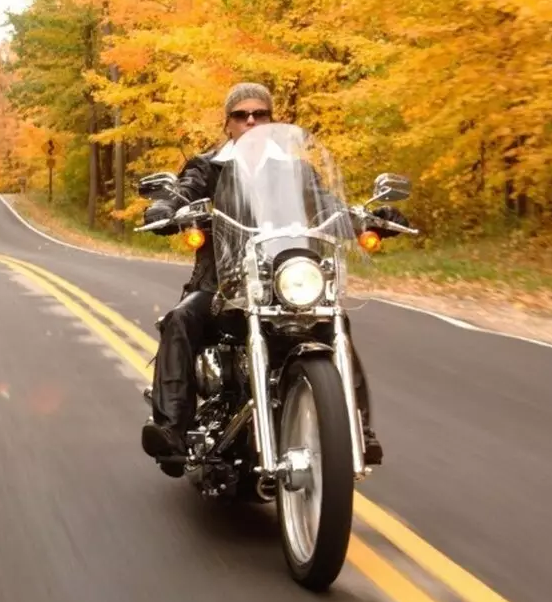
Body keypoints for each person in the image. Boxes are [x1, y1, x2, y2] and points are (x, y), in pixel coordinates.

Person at [139, 82, 408, 466]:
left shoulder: (294, 168)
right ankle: (172, 428)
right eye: (241, 115)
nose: (251, 121)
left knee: (335, 322)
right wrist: (167, 208)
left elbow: (325, 203)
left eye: (260, 114)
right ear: (228, 123)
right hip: (222, 285)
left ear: (270, 119)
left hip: (285, 282)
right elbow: (185, 191)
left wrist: (369, 218)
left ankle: (355, 429)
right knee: (181, 319)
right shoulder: (208, 166)